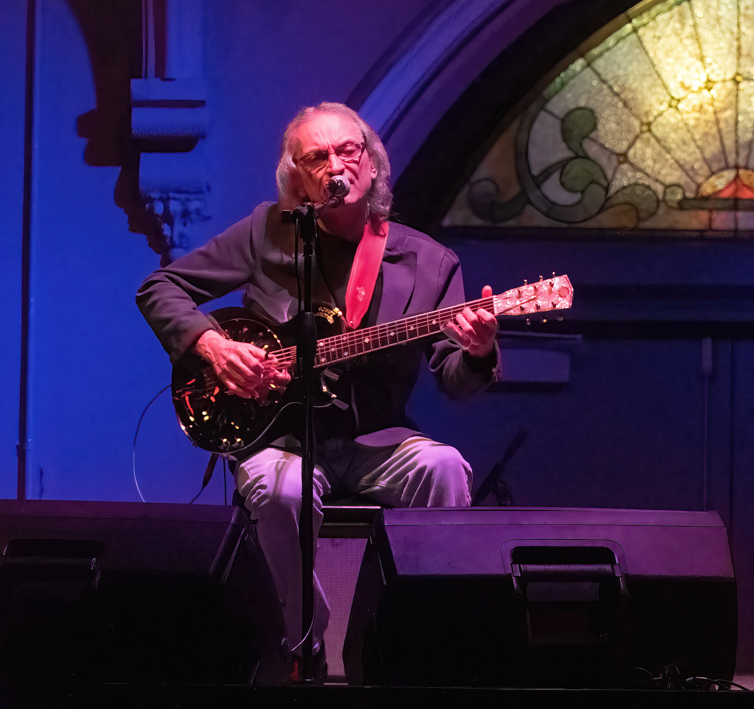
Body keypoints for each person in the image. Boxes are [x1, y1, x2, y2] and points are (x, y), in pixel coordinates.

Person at [137, 102, 499, 675]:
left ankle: (422, 642)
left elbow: (454, 380)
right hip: (280, 438)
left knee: (445, 466)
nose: (337, 166)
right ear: (297, 178)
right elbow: (161, 287)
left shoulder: (428, 262)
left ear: (372, 166)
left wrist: (478, 352)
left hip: (376, 441)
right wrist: (214, 347)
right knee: (280, 492)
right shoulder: (265, 233)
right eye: (317, 157)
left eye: (348, 151)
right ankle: (306, 639)